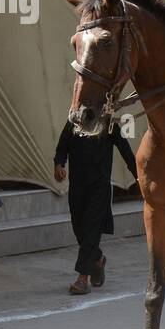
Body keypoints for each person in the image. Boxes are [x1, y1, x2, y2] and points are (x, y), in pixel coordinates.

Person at [54, 119, 138, 295]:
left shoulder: (110, 125)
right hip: (77, 187)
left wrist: (139, 177)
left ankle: (82, 278)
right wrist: (59, 164)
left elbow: (126, 151)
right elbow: (62, 147)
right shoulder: (73, 123)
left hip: (99, 188)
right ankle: (98, 259)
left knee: (91, 230)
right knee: (80, 230)